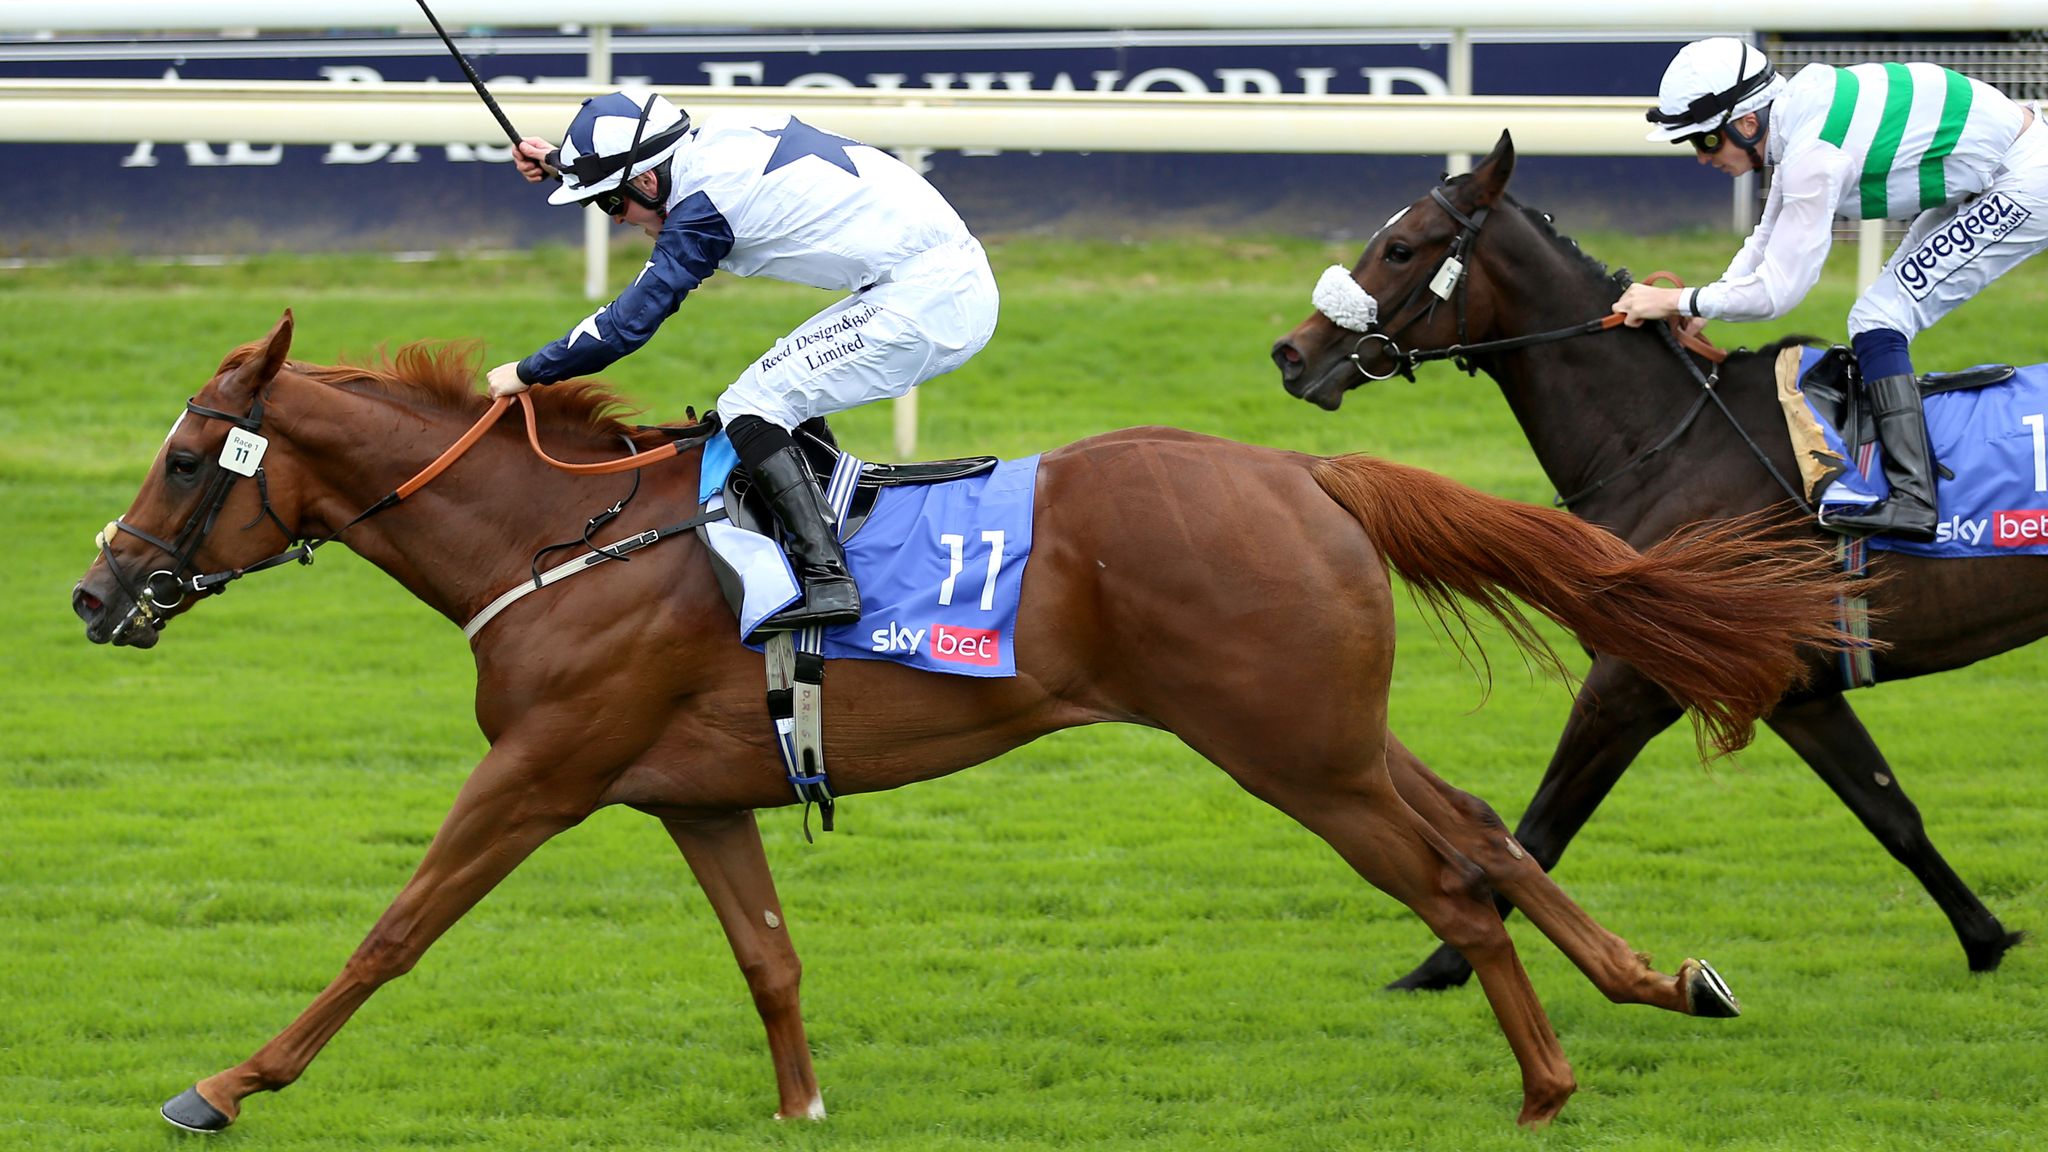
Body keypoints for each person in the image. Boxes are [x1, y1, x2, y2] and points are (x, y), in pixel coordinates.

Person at [487, 89, 1000, 629]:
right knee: (771, 393)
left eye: (611, 203)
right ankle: (839, 527)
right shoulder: (713, 142)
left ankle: (829, 581)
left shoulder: (702, 209)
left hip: (930, 300)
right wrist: (558, 164)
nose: (616, 220)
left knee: (752, 405)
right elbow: (633, 166)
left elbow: (626, 325)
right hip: (929, 281)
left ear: (647, 181)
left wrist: (526, 371)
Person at [1612, 38, 2048, 542]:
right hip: (1995, 166)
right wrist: (1706, 307)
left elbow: (1779, 293)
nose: (1702, 158)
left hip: (2020, 179)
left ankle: (1915, 502)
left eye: (1706, 141)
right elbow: (1765, 236)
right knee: (1880, 315)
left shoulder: (1811, 155)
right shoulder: (1798, 111)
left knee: (1880, 316)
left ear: (1746, 123)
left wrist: (1676, 299)